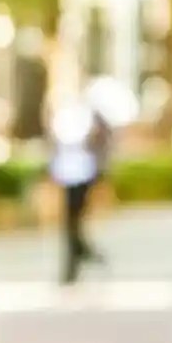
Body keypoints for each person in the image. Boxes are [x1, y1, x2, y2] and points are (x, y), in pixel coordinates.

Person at [49, 91, 113, 285]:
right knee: (72, 221)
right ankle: (81, 255)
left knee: (73, 220)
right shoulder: (63, 116)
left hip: (83, 171)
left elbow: (100, 139)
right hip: (67, 172)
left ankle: (78, 258)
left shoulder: (87, 115)